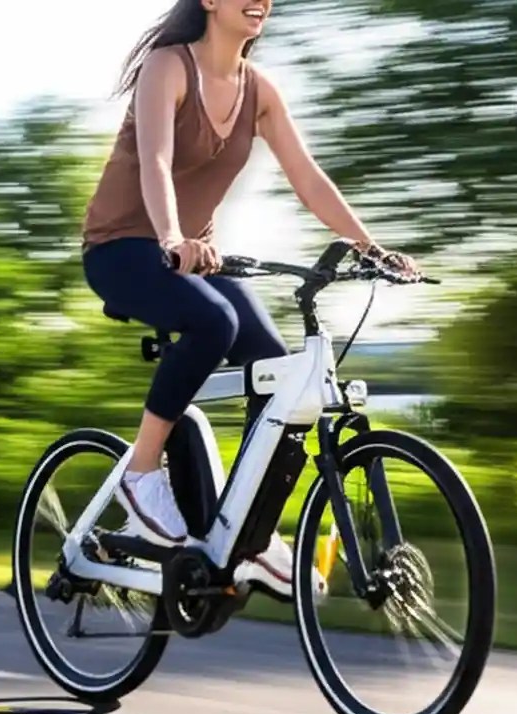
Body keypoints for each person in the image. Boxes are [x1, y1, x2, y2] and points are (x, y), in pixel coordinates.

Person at [79, 0, 415, 599]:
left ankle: (248, 537)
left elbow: (307, 177)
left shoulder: (258, 91)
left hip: (193, 254)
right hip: (123, 247)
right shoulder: (169, 66)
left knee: (279, 370)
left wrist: (372, 248)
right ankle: (139, 474)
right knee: (213, 320)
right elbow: (155, 159)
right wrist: (172, 238)